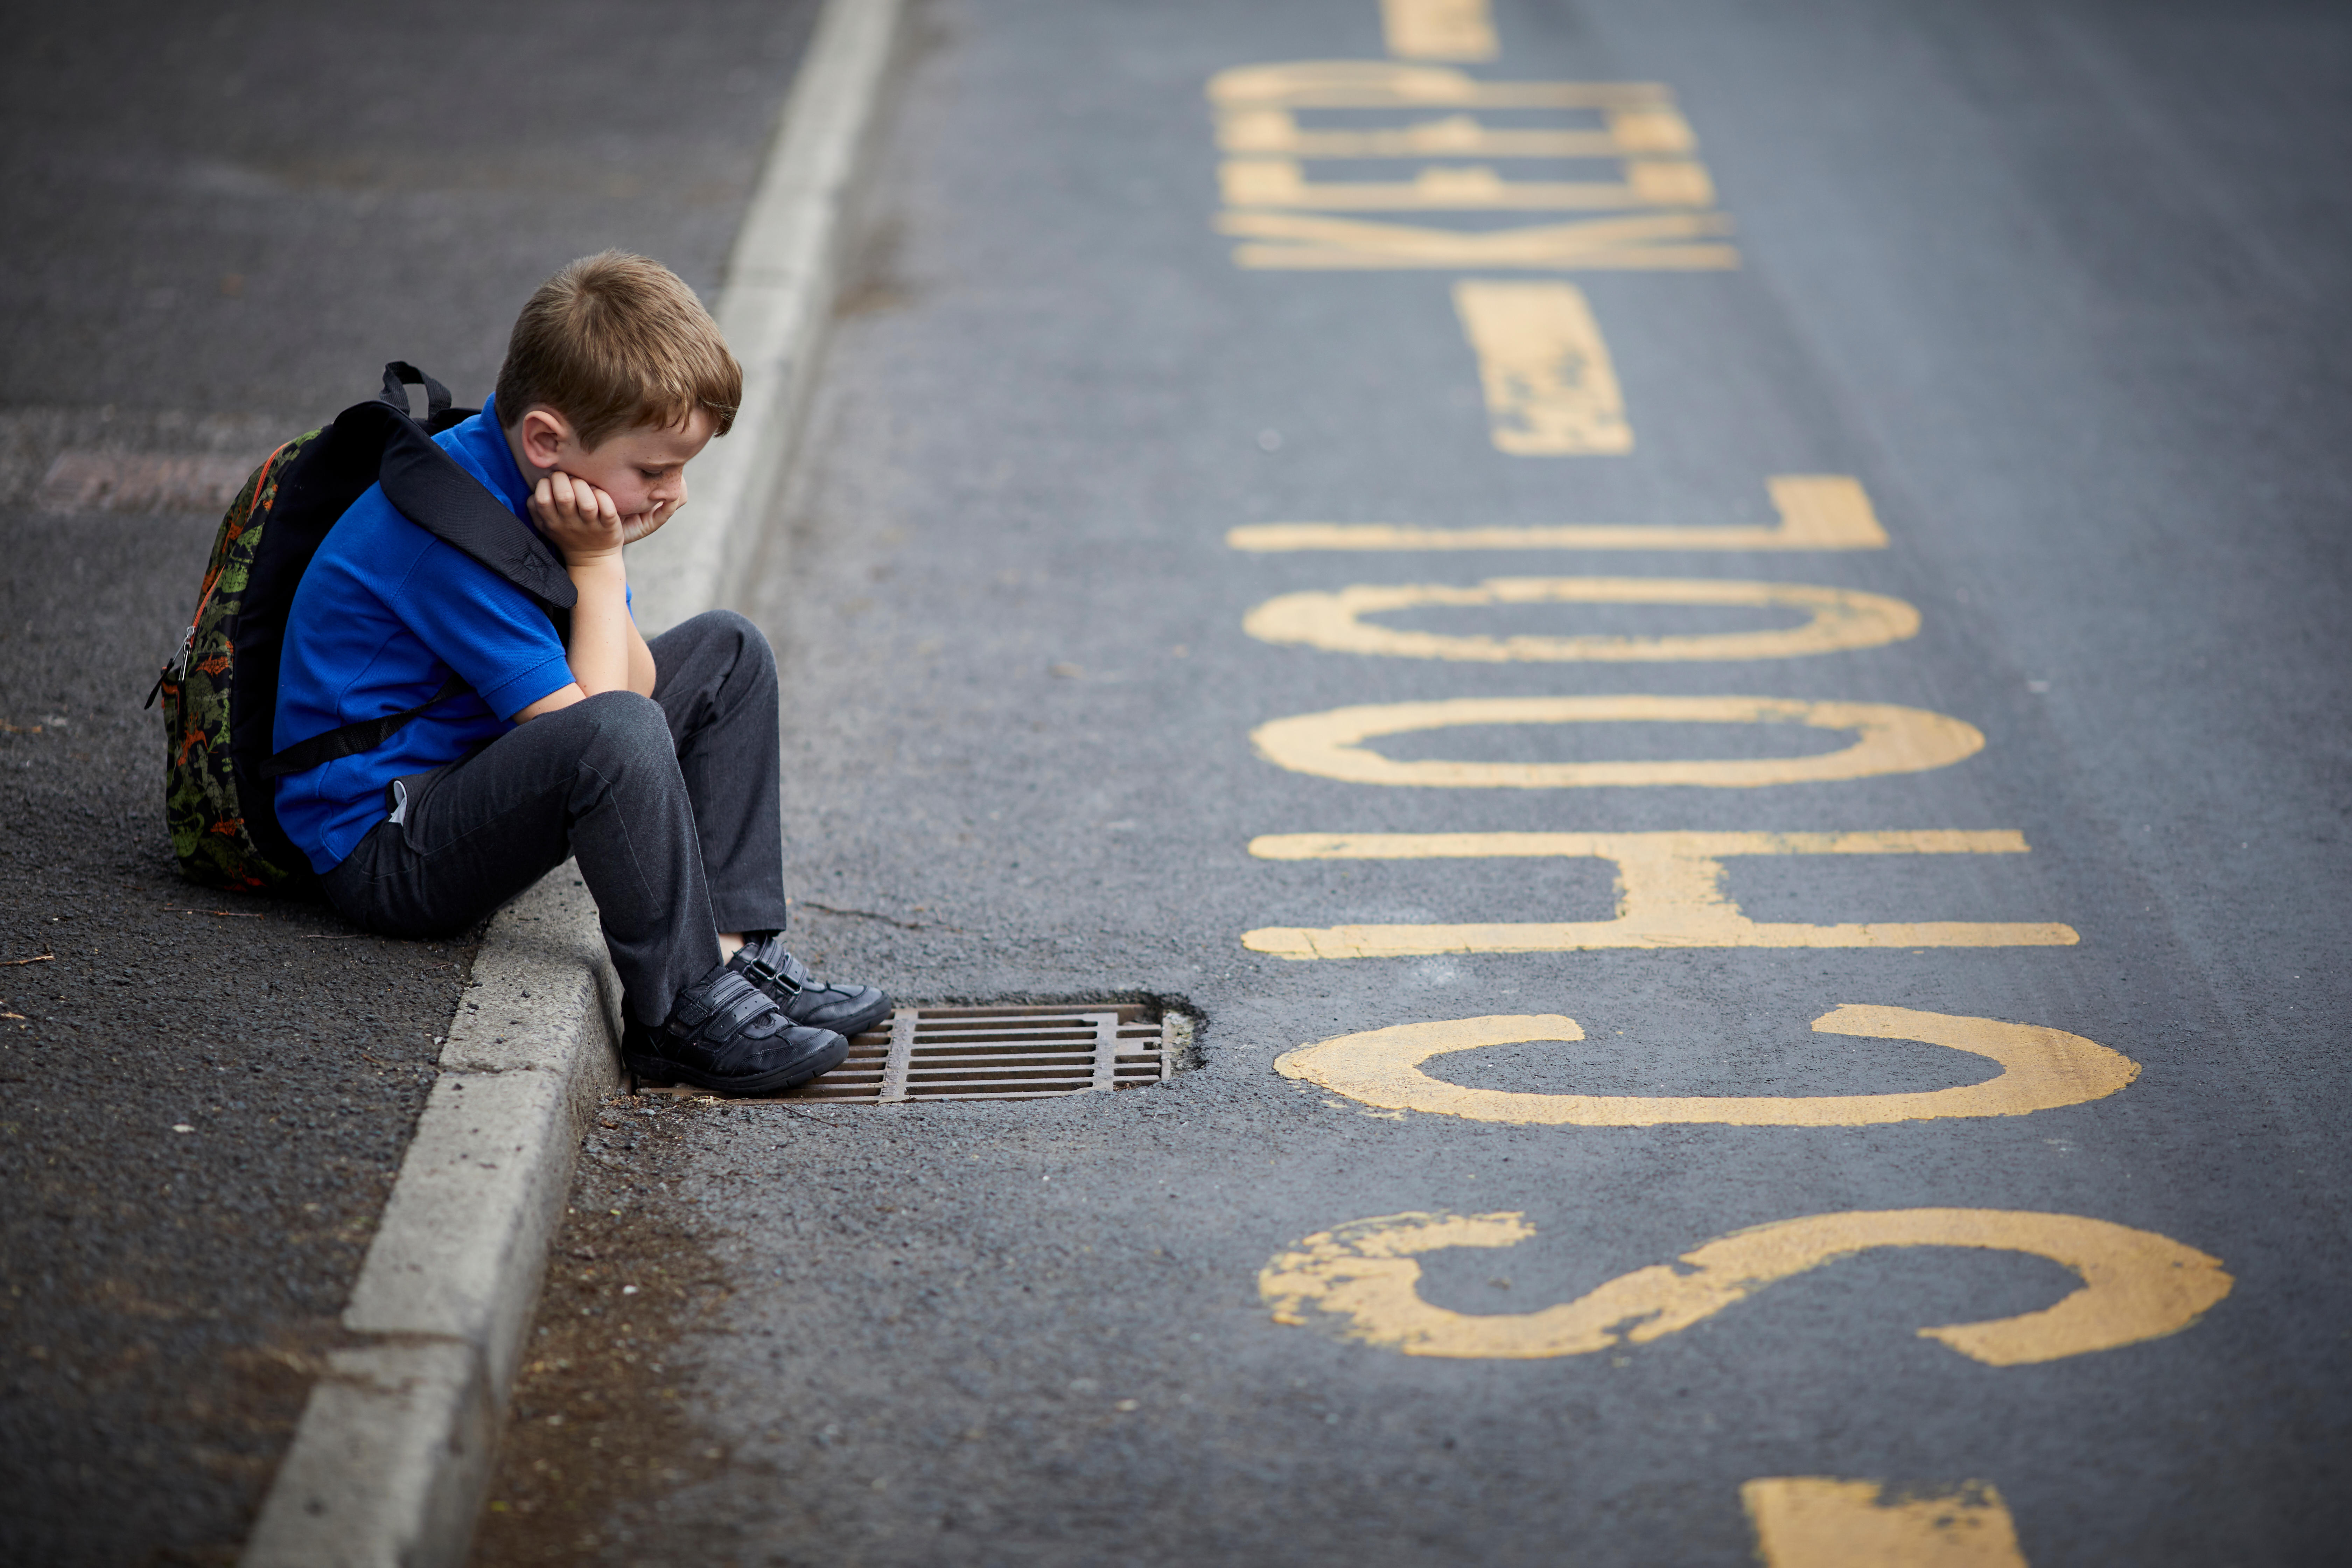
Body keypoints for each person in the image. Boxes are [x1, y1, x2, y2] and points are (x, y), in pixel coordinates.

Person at [271, 251, 886, 1095]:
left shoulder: (540, 484)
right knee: (619, 733)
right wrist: (598, 565)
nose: (673, 494)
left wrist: (599, 562)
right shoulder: (449, 537)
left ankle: (736, 955)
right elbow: (607, 726)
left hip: (469, 773)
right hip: (384, 845)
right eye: (655, 468)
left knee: (729, 652)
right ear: (549, 439)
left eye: (683, 469)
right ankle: (678, 1009)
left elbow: (623, 683)